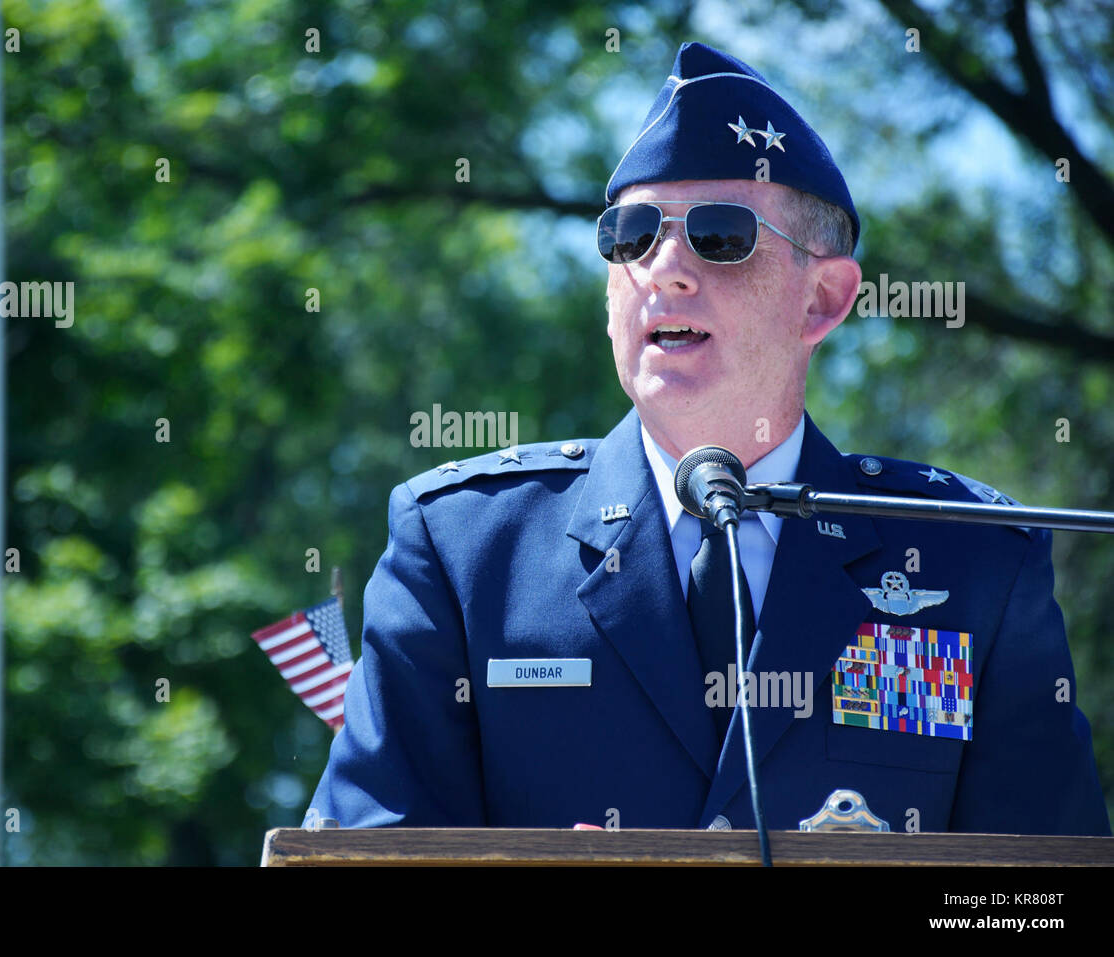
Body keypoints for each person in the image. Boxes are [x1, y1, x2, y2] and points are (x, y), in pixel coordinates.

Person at [305, 41, 1110, 835]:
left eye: (721, 236)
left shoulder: (973, 560)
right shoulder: (462, 550)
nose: (666, 266)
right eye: (632, 235)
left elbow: (1041, 899)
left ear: (823, 298)